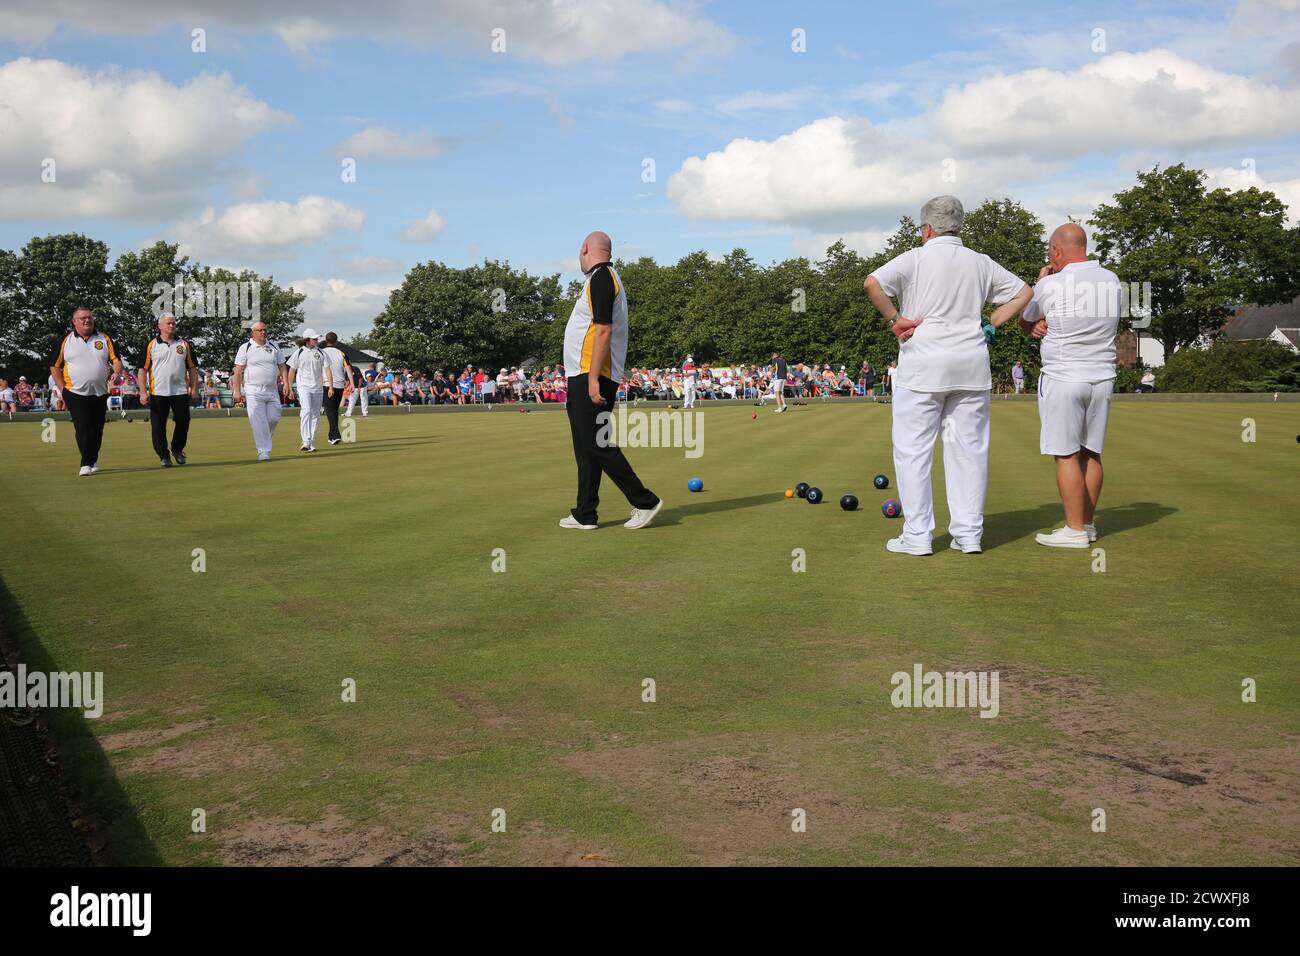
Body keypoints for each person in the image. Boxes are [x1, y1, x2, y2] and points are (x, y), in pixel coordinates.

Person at [865, 195, 1032, 555]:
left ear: (927, 228)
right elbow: (1024, 292)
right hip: (970, 365)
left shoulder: (916, 257)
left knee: (913, 452)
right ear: (958, 226)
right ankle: (969, 536)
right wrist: (992, 323)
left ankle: (918, 537)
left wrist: (895, 321)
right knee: (969, 451)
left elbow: (872, 284)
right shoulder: (981, 262)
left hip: (923, 365)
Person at [1020, 224, 1123, 549]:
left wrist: (1041, 282)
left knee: (1065, 454)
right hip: (1102, 377)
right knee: (1091, 452)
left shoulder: (1051, 283)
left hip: (1064, 376)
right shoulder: (1112, 280)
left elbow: (1026, 317)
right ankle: (1087, 525)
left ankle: (1074, 530)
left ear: (1056, 251)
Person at [559, 230, 662, 530]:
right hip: (588, 374)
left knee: (595, 443)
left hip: (591, 374)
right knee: (586, 445)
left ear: (586, 248)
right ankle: (585, 513)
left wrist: (592, 379)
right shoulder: (601, 278)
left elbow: (603, 330)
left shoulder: (602, 277)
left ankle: (645, 501)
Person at [50, 308, 123, 475]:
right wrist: (63, 389)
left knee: (97, 429)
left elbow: (116, 360)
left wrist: (117, 373)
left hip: (99, 392)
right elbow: (55, 366)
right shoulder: (64, 340)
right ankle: (85, 463)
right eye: (82, 318)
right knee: (83, 427)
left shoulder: (104, 338)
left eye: (89, 317)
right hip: (75, 392)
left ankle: (93, 459)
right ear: (74, 321)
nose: (87, 321)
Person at [139, 313, 199, 467]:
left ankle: (177, 450)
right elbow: (142, 370)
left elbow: (192, 368)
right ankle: (163, 455)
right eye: (168, 323)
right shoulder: (151, 345)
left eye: (173, 323)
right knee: (158, 426)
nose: (171, 326)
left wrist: (194, 388)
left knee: (183, 421)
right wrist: (143, 392)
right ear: (160, 326)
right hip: (158, 392)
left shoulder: (184, 344)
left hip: (179, 391)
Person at [232, 321, 289, 461]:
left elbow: (282, 366)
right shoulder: (245, 348)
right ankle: (263, 451)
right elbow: (238, 371)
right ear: (253, 333)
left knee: (273, 418)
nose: (263, 332)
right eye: (260, 330)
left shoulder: (274, 346)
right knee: (259, 422)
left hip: (272, 390)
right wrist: (237, 391)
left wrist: (287, 383)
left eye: (264, 330)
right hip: (253, 390)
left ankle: (264, 442)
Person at [287, 329, 328, 452]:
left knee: (315, 414)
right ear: (307, 340)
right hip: (304, 387)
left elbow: (326, 369)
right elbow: (291, 371)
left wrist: (328, 385)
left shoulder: (321, 352)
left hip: (318, 388)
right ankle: (305, 441)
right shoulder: (298, 353)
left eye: (317, 338)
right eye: (314, 338)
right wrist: (289, 388)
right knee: (306, 410)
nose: (316, 340)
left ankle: (311, 441)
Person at [321, 332, 351, 444]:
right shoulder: (341, 353)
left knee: (330, 411)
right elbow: (348, 368)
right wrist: (352, 383)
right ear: (336, 341)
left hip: (327, 384)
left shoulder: (321, 352)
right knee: (334, 410)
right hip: (339, 385)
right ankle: (331, 435)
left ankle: (335, 435)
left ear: (325, 340)